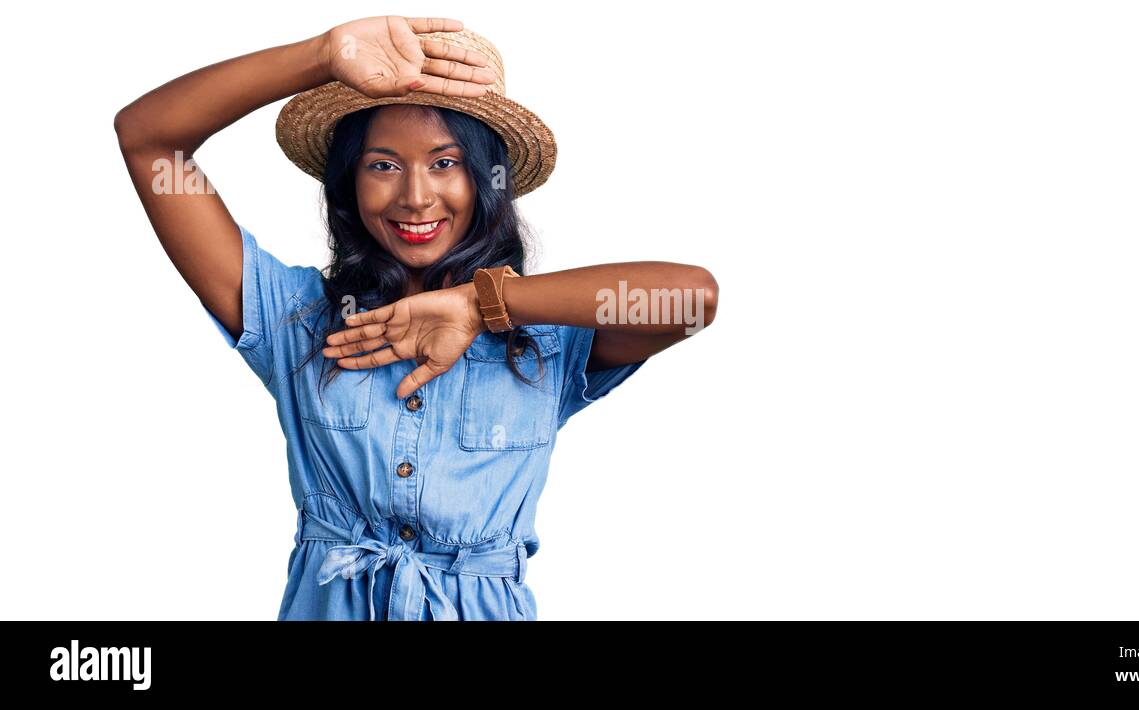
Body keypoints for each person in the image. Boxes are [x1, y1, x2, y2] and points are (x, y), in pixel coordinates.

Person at [114, 15, 719, 620]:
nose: (415, 197)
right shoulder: (293, 319)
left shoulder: (544, 338)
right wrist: (326, 54)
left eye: (445, 163)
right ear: (347, 184)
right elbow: (147, 137)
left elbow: (693, 300)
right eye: (382, 165)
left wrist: (484, 304)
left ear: (487, 181)